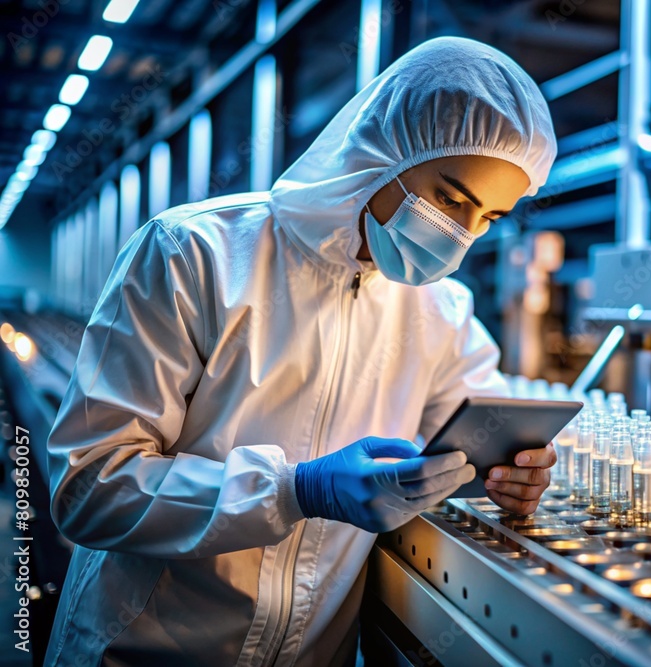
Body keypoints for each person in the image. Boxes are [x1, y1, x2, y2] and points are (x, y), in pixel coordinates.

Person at [44, 36, 557, 666]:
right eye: (452, 199)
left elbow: (467, 446)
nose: (463, 236)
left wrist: (507, 475)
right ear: (386, 152)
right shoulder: (194, 255)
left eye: (490, 217)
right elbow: (90, 486)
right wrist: (294, 490)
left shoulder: (441, 312)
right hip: (146, 651)